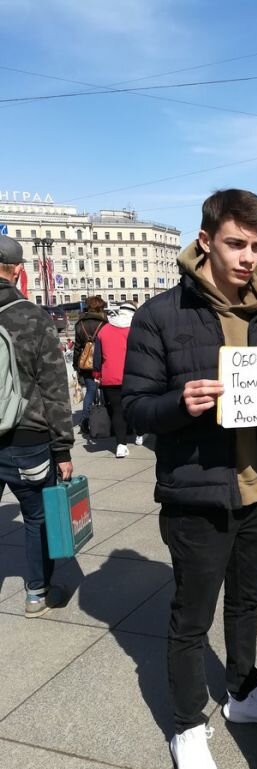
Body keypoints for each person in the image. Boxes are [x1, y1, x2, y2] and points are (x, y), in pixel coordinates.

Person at [121, 189, 257, 769]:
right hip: (196, 495)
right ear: (207, 240)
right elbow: (133, 406)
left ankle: (242, 693)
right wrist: (177, 404)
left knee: (245, 606)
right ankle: (188, 727)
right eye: (236, 244)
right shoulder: (160, 315)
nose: (248, 258)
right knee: (192, 619)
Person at [0, 235, 74, 617]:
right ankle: (37, 593)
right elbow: (54, 388)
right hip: (27, 438)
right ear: (16, 271)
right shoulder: (31, 316)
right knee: (36, 517)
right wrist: (62, 447)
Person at [92, 302, 141, 457]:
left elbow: (97, 357)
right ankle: (139, 434)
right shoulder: (135, 329)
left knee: (117, 411)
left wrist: (97, 374)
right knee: (137, 406)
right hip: (133, 375)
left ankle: (121, 445)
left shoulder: (104, 330)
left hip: (110, 377)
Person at [73, 295, 107, 435]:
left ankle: (85, 421)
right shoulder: (104, 323)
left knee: (90, 391)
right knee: (104, 390)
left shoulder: (80, 323)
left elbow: (77, 347)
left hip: (86, 363)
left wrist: (76, 365)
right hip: (102, 360)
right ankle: (105, 418)